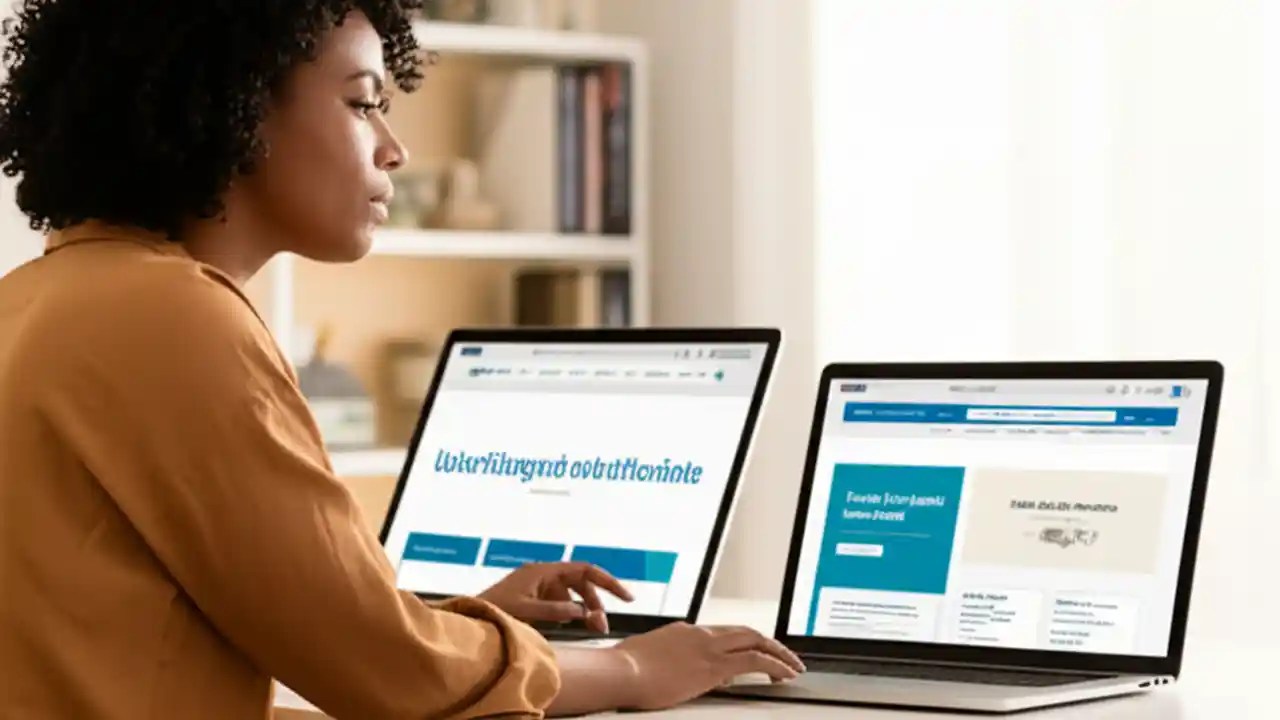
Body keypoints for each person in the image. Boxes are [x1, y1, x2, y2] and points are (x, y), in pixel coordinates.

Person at [0, 1, 803, 718]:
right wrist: (630, 664)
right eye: (362, 104)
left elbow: (293, 633)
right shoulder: (172, 318)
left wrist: (448, 625)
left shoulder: (36, 297)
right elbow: (385, 678)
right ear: (233, 106)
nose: (394, 149)